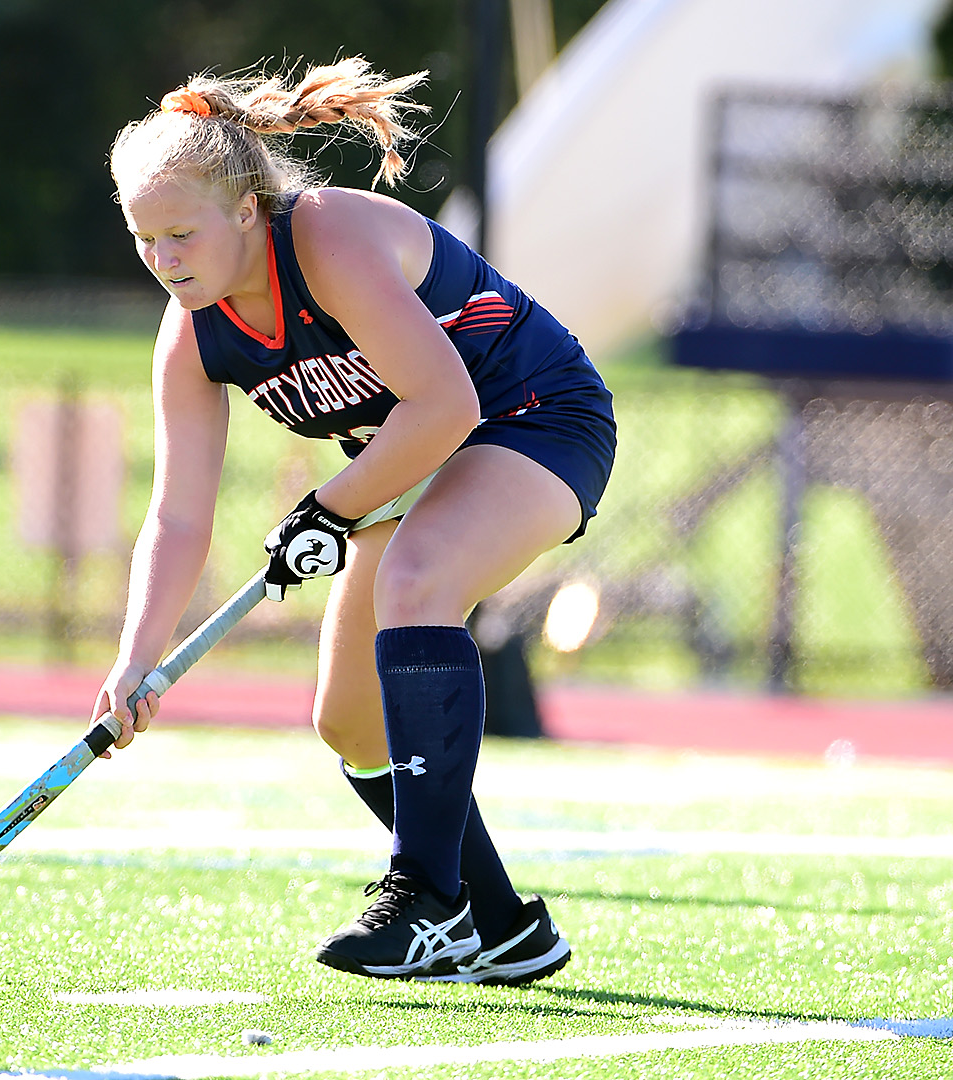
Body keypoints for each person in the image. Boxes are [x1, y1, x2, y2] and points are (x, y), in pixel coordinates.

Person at [93, 59, 616, 984]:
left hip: (531, 417)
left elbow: (446, 403)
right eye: (144, 241)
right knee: (351, 723)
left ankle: (426, 896)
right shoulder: (192, 335)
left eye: (181, 234)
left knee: (420, 582)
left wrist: (327, 511)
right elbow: (177, 512)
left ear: (246, 210)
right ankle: (500, 924)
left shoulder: (324, 239)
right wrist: (137, 654)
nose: (164, 260)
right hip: (412, 469)